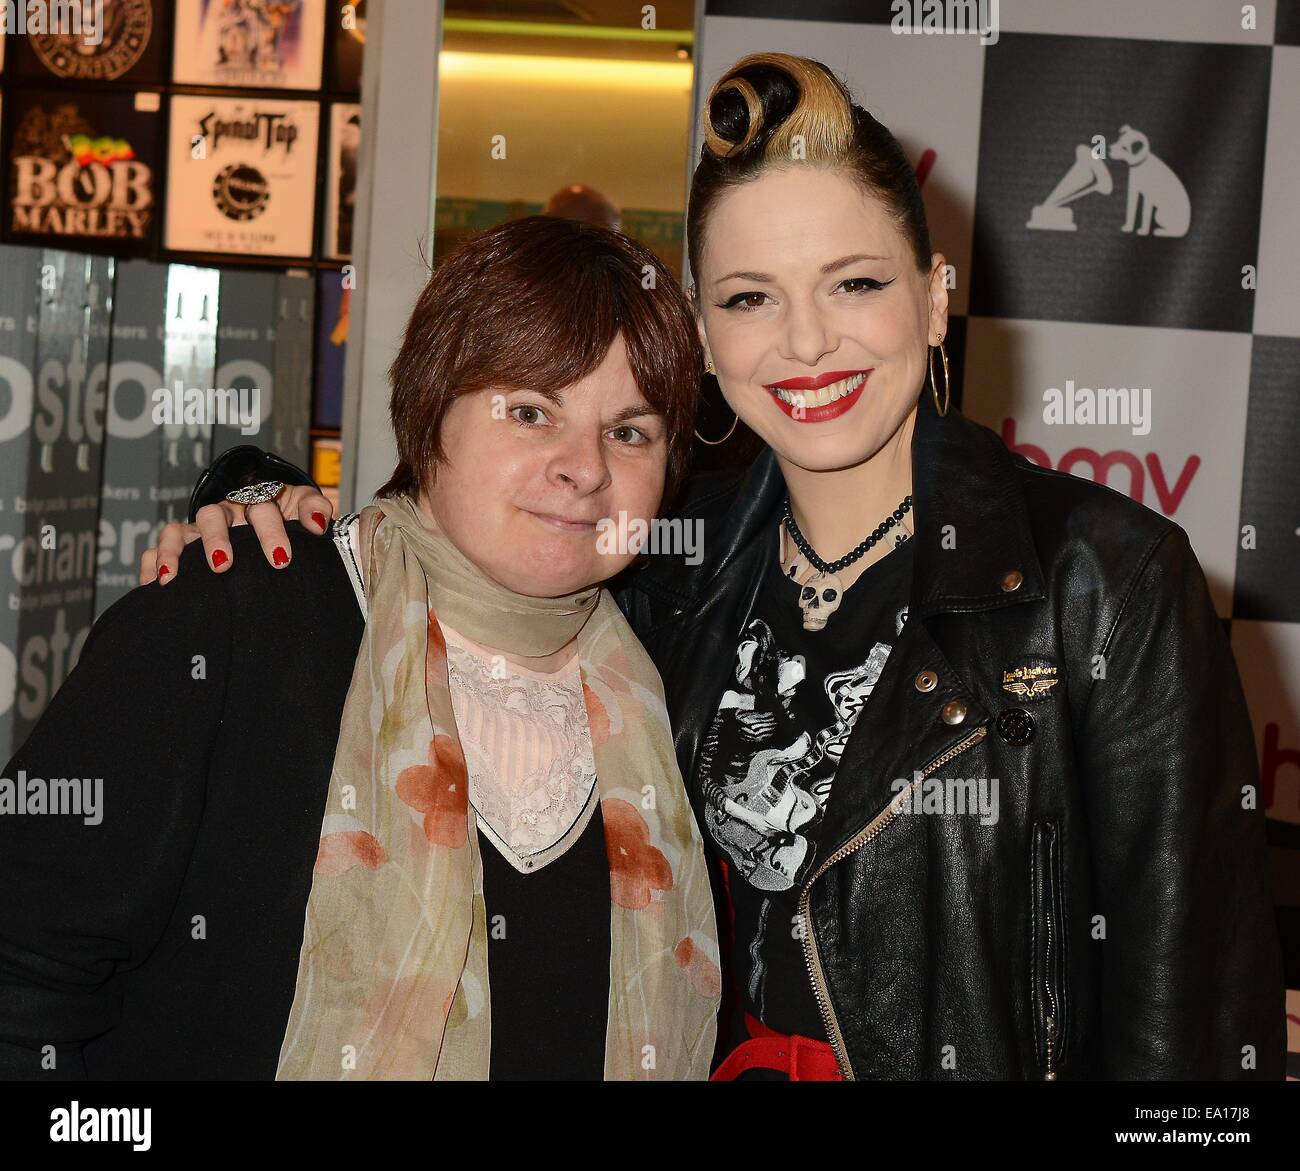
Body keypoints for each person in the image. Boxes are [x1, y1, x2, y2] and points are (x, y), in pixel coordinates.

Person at [143, 52, 1285, 1081]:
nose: (803, 344)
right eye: (750, 298)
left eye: (855, 283)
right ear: (701, 326)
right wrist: (248, 503)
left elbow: (1189, 1018)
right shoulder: (660, 564)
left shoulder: (1099, 583)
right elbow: (436, 540)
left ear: (934, 297)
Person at [0, 214, 719, 1080]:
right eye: (530, 410)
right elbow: (23, 974)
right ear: (430, 411)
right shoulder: (235, 618)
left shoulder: (677, 676)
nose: (584, 467)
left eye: (630, 431)